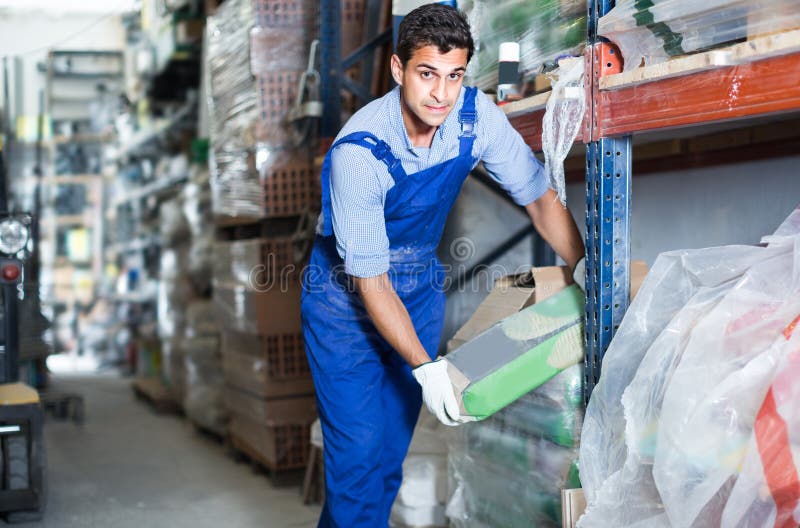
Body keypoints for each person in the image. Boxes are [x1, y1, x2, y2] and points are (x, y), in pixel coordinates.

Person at [300, 4, 585, 526]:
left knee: (386, 465)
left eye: (454, 76)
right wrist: (425, 367)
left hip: (417, 288)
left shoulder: (477, 119)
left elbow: (540, 199)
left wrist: (586, 266)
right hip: (345, 303)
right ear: (397, 69)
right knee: (359, 462)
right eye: (427, 73)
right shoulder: (360, 152)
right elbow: (369, 278)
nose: (441, 94)